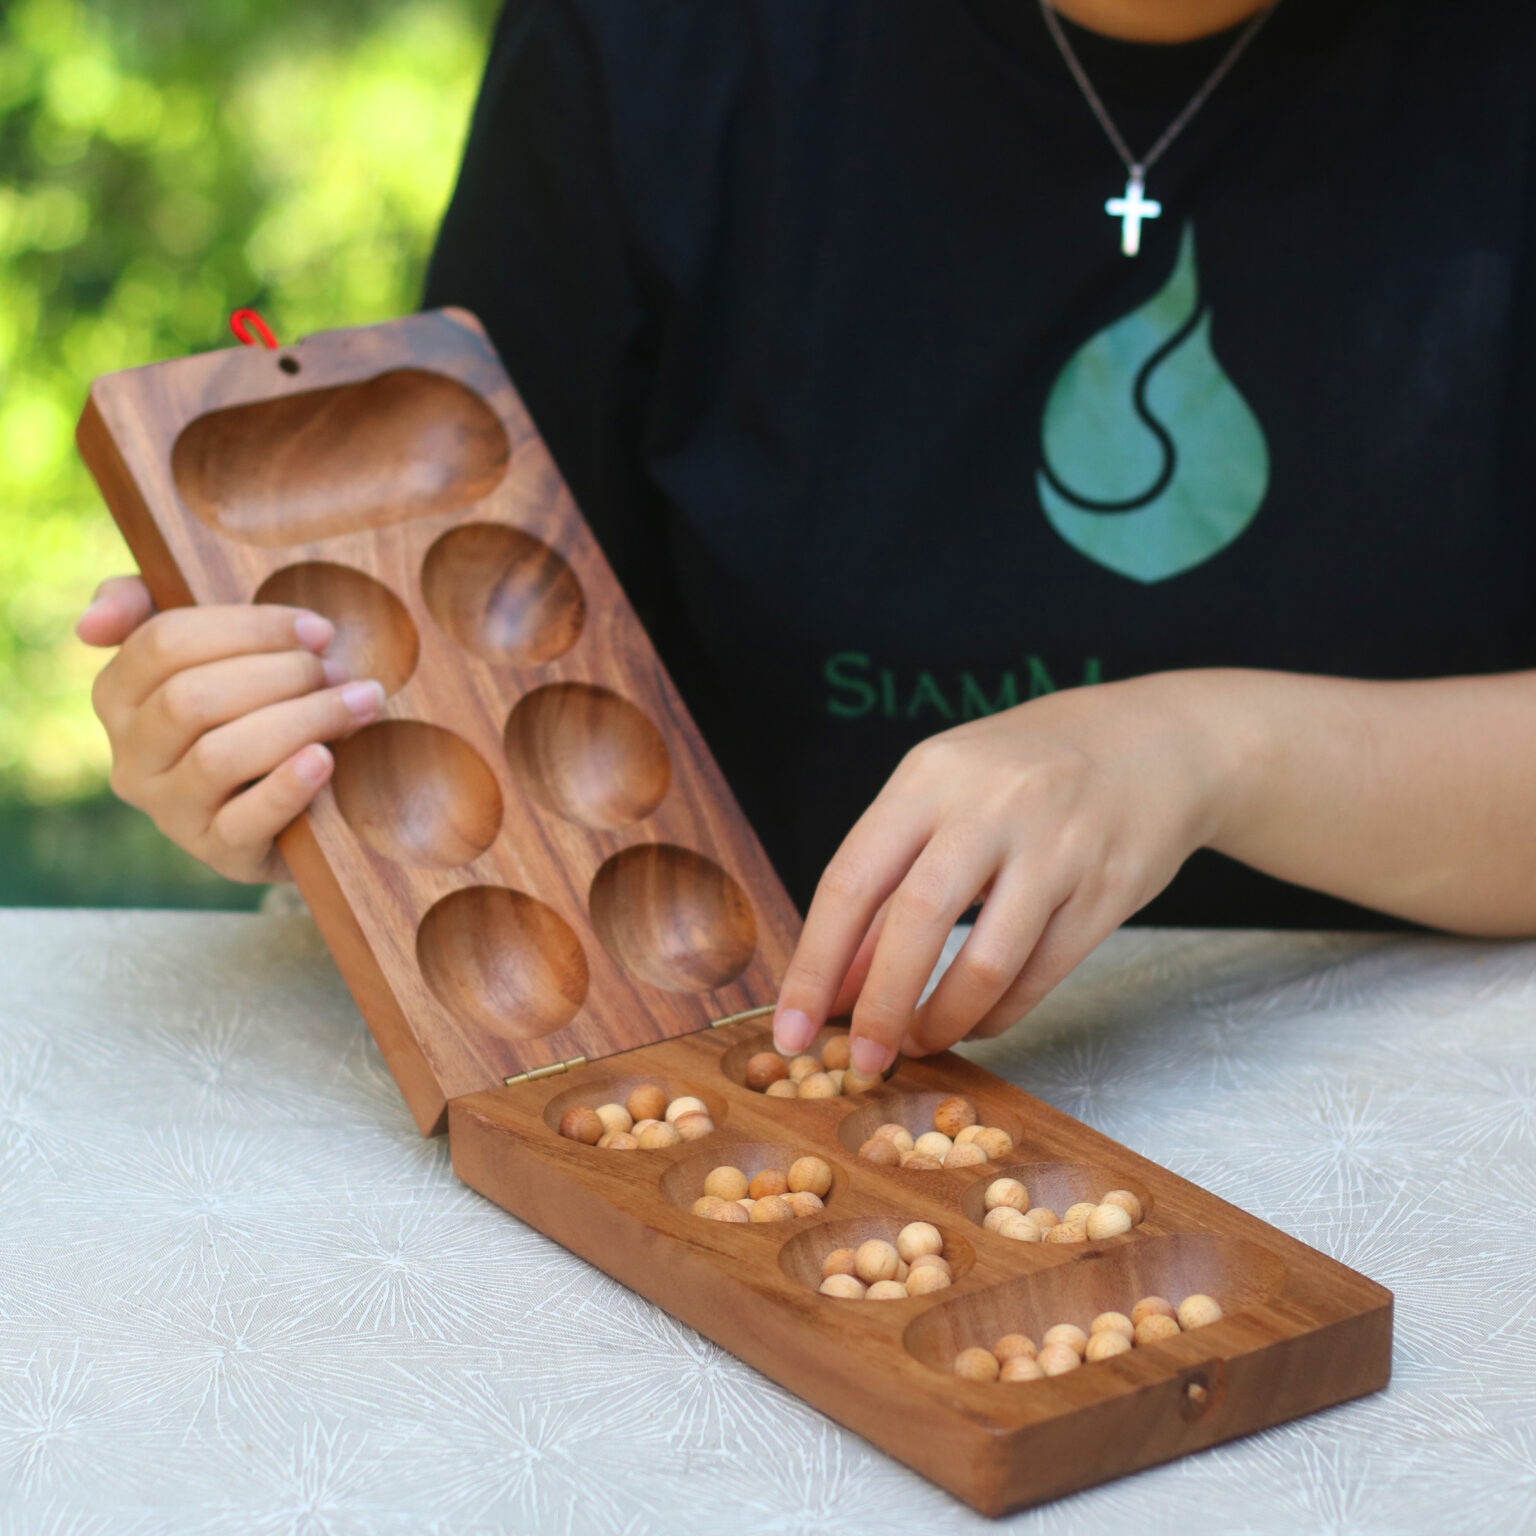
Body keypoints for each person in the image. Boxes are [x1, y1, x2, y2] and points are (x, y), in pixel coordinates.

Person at [78, 0, 1536, 1082]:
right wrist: (269, 749)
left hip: (1420, 1066)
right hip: (765, 1064)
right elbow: (471, 684)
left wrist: (1208, 750)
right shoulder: (651, 46)